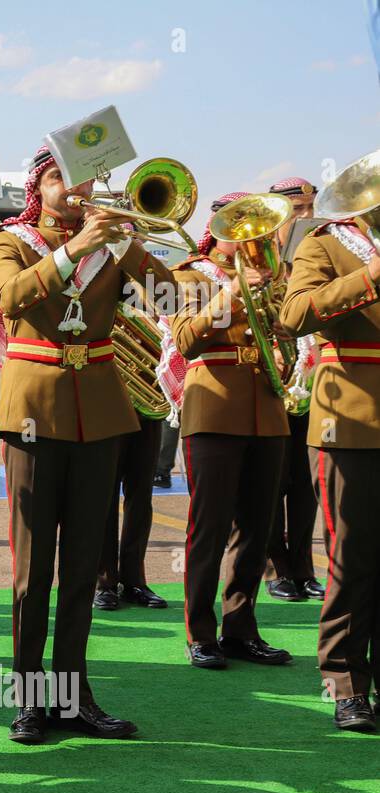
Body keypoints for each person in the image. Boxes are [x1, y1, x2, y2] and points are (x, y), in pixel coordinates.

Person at [0, 145, 174, 743]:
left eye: (86, 177)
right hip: (35, 410)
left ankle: (75, 695)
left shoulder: (112, 243)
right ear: (37, 187)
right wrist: (75, 249)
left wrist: (128, 244)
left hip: (98, 410)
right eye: (61, 178)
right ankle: (31, 696)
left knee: (85, 562)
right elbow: (9, 299)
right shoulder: (7, 239)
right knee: (33, 567)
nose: (74, 187)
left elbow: (172, 299)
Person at [170, 193, 293, 672]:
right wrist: (233, 293)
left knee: (257, 527)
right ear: (217, 227)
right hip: (214, 408)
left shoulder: (272, 274)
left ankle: (240, 629)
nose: (250, 237)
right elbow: (186, 338)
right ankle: (200, 633)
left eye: (257, 228)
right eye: (239, 226)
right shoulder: (191, 274)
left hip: (265, 406)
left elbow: (287, 326)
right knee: (210, 525)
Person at [281, 195, 380, 731]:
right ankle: (344, 684)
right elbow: (295, 314)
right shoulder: (324, 243)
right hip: (352, 422)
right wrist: (370, 275)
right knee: (352, 562)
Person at [264, 176, 324, 603]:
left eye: (310, 208)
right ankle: (276, 567)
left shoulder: (323, 259)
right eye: (297, 211)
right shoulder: (259, 262)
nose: (308, 218)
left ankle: (302, 567)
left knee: (305, 483)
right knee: (270, 481)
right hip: (267, 386)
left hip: (311, 388)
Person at [94, 400, 168, 610]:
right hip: (106, 405)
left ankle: (134, 581)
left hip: (147, 409)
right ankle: (104, 582)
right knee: (105, 497)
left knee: (141, 496)